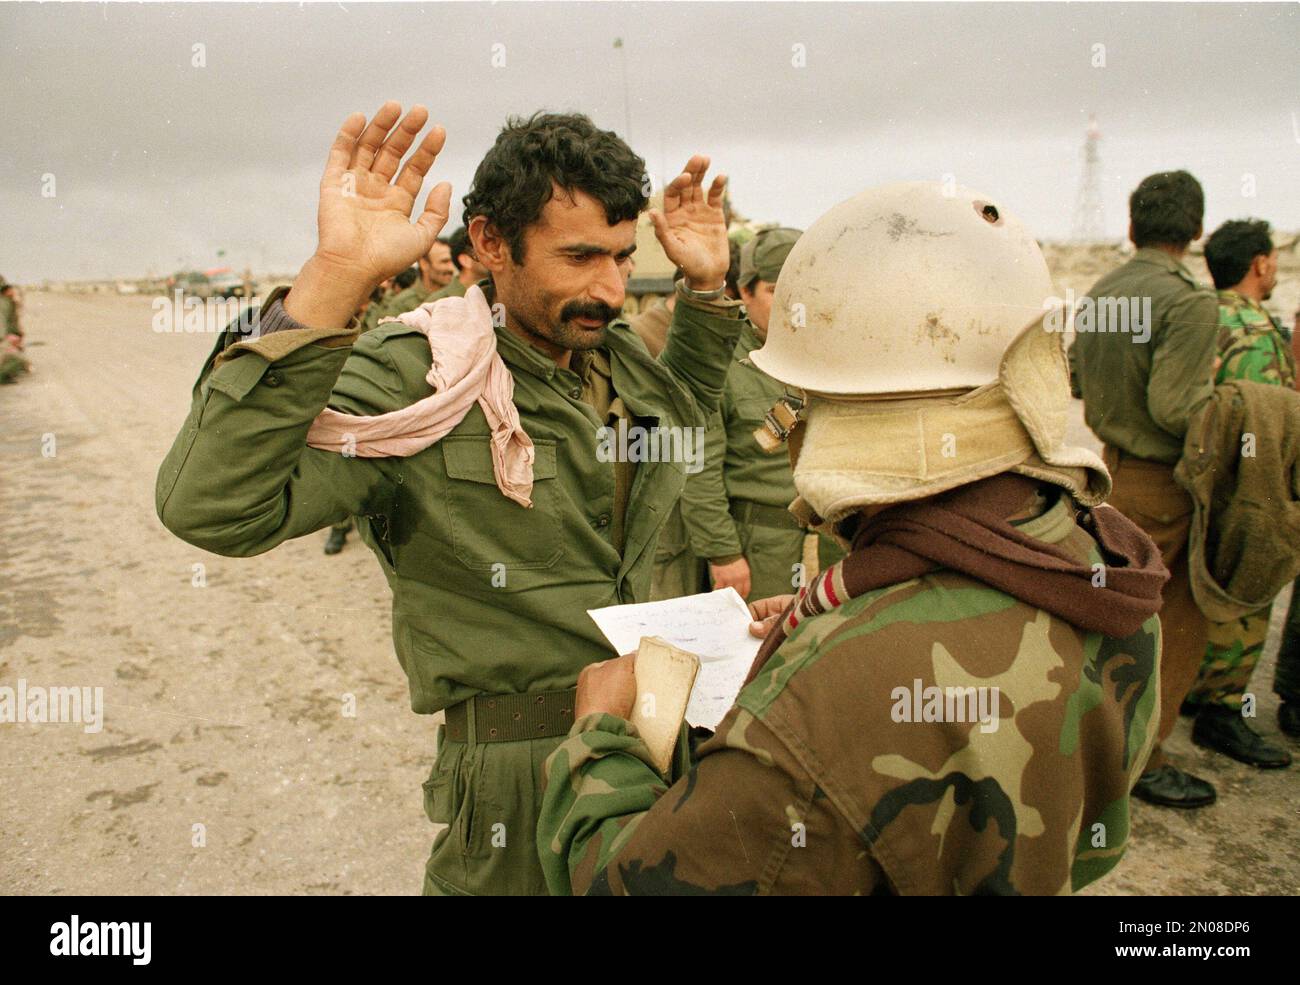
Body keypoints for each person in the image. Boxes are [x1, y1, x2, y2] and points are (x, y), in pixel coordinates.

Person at [156, 103, 742, 895]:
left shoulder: (616, 360)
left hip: (665, 745)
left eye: (618, 256)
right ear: (492, 244)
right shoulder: (421, 373)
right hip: (517, 783)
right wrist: (335, 275)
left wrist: (707, 287)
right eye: (577, 257)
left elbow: (683, 414)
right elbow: (211, 506)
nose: (607, 288)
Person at [537, 182, 1165, 895]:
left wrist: (598, 736)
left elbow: (625, 883)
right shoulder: (1103, 568)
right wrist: (837, 614)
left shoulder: (818, 711)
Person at [1069, 170, 1221, 808]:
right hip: (1165, 481)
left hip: (1111, 472)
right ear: (1195, 229)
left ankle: (1089, 749)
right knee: (1172, 624)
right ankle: (1143, 761)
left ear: (1133, 226)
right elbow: (1175, 407)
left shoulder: (1106, 288)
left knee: (1111, 615)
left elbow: (1077, 381)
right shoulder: (1189, 299)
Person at [1181, 219, 1292, 768]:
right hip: (1238, 482)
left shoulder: (1197, 313)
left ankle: (1190, 687)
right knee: (1243, 592)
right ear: (1260, 264)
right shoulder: (1255, 328)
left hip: (1191, 474)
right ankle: (1220, 710)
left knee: (1191, 589)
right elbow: (1268, 422)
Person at [682, 227, 841, 602]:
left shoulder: (835, 356)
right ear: (744, 292)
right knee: (759, 651)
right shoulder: (717, 363)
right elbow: (698, 469)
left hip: (834, 541)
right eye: (775, 289)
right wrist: (723, 553)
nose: (793, 303)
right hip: (758, 546)